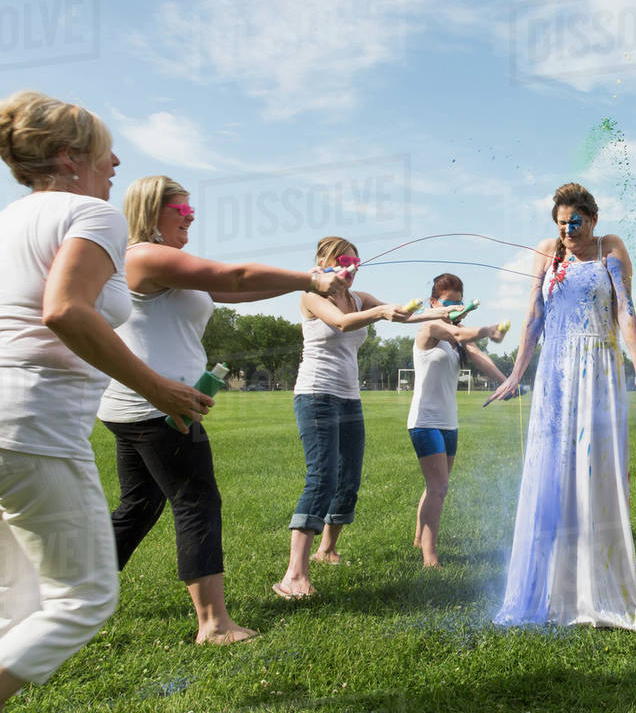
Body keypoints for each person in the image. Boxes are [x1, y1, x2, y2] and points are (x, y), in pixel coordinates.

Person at [0, 92, 210, 707]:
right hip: (33, 425)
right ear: (68, 157)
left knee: (18, 601)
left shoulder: (10, 218)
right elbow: (64, 310)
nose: (115, 162)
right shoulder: (93, 215)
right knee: (83, 600)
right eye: (103, 150)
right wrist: (158, 387)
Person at [96, 175, 347, 644]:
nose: (191, 219)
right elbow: (233, 276)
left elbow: (234, 291)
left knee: (140, 504)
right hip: (159, 410)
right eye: (182, 212)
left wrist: (307, 284)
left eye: (193, 213)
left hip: (137, 406)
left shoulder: (164, 265)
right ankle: (213, 624)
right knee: (196, 501)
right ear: (152, 213)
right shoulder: (146, 255)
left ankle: (79, 591)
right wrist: (311, 277)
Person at [485, 182, 636, 631]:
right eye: (562, 223)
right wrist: (515, 372)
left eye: (576, 223)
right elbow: (533, 315)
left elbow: (625, 310)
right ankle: (554, 588)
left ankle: (599, 588)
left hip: (600, 372)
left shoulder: (610, 248)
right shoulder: (548, 251)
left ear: (593, 219)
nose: (568, 231)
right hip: (554, 374)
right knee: (552, 471)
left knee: (594, 471)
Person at [273, 239, 458, 598]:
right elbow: (342, 324)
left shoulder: (360, 297)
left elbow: (402, 315)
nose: (352, 267)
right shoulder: (312, 295)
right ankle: (294, 574)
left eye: (356, 261)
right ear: (324, 262)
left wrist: (436, 314)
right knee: (321, 477)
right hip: (316, 396)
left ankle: (327, 549)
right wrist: (379, 313)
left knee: (348, 479)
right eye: (344, 260)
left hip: (348, 398)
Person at [407, 273, 510, 568]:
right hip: (425, 421)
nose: (453, 307)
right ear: (433, 303)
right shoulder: (430, 328)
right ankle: (430, 557)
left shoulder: (459, 335)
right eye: (448, 302)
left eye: (458, 302)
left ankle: (419, 538)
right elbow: (460, 335)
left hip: (449, 423)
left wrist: (507, 382)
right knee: (438, 486)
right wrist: (488, 329)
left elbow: (478, 356)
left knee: (436, 485)